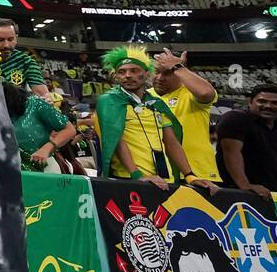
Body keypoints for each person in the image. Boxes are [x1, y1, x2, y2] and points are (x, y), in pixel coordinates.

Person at [93, 46, 219, 192]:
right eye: (122, 72)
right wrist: (137, 175)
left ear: (146, 74)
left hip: (164, 179)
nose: (127, 75)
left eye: (134, 70)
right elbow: (117, 141)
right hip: (130, 179)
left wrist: (190, 175)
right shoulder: (109, 101)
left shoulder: (156, 103)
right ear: (115, 76)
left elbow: (171, 141)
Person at [149, 48, 219, 182]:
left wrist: (176, 66)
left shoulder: (190, 94)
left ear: (180, 72)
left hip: (198, 173)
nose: (159, 78)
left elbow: (205, 93)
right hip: (160, 174)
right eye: (156, 72)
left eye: (168, 73)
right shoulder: (146, 96)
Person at [217, 85, 277, 197]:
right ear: (250, 102)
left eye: (275, 103)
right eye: (262, 101)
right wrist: (245, 185)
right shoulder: (236, 118)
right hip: (241, 193)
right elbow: (231, 152)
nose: (268, 106)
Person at [2, 82, 78, 172]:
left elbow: (69, 130)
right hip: (9, 171)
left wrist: (47, 148)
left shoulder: (35, 104)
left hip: (43, 168)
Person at [0, 18, 50, 98]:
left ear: (16, 38)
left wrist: (47, 99)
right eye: (0, 40)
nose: (6, 45)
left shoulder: (26, 62)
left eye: (10, 39)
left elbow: (43, 95)